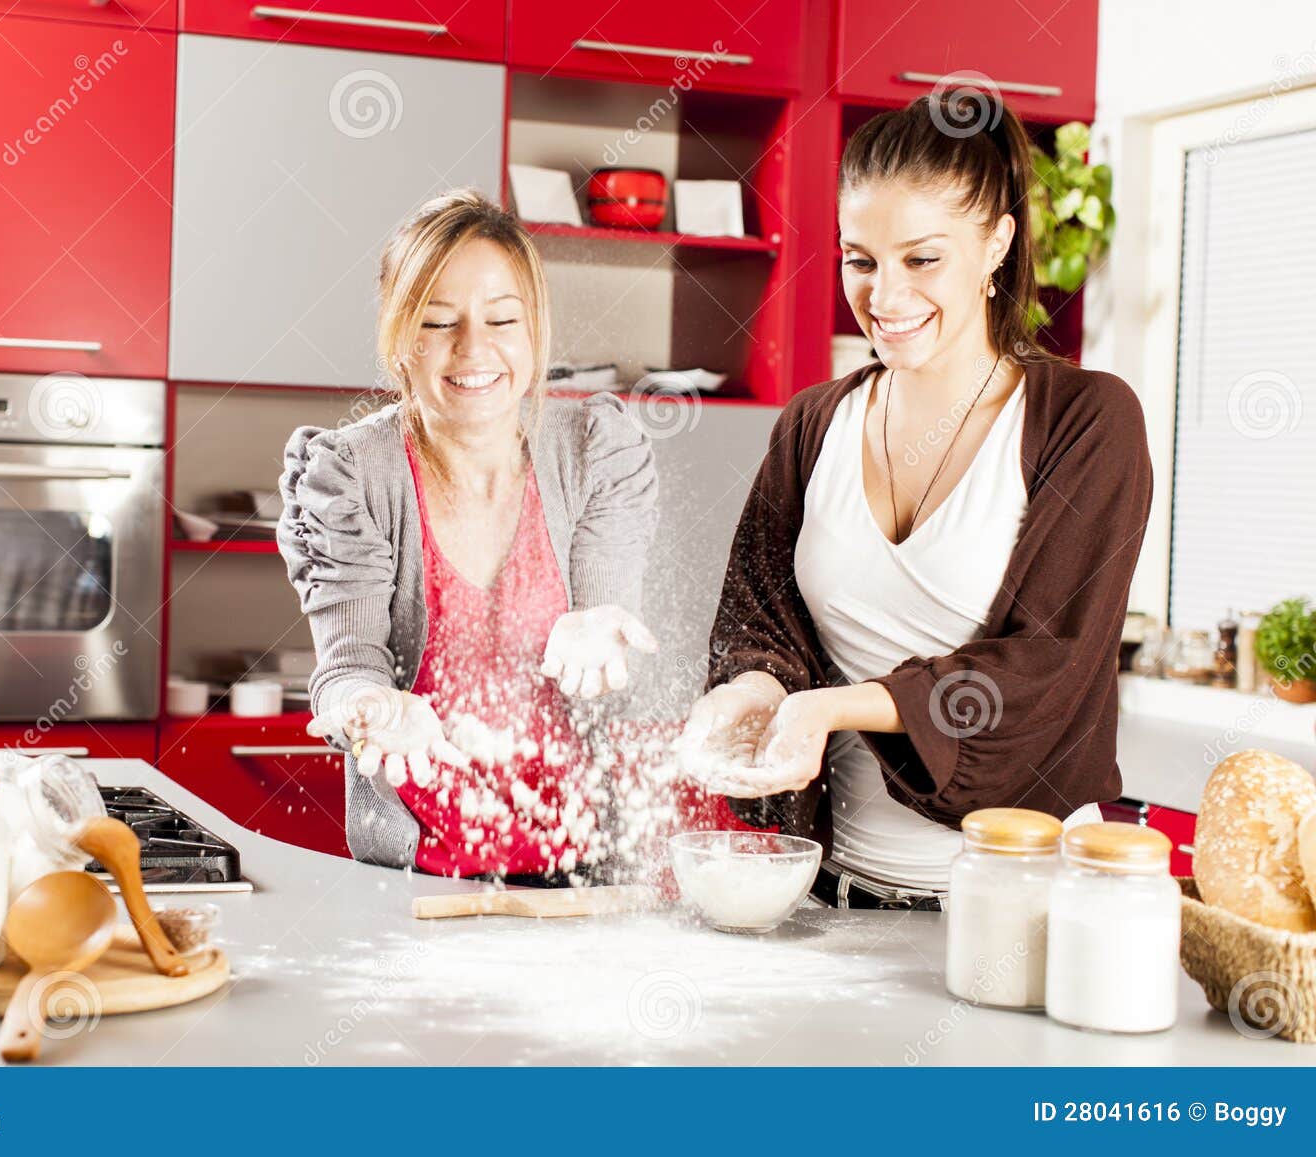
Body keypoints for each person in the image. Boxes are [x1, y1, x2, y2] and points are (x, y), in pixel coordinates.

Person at [676, 91, 1153, 909]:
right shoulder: (813, 425)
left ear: (997, 242)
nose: (885, 297)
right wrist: (752, 693)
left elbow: (1048, 668)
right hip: (830, 899)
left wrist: (830, 708)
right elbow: (756, 620)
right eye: (860, 260)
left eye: (922, 259)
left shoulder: (1087, 421)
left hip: (1021, 909)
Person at [278, 188, 659, 881]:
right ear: (400, 339)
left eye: (502, 319)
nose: (474, 348)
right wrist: (370, 708)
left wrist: (600, 631)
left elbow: (611, 657)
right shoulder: (352, 475)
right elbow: (347, 666)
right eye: (438, 321)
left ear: (534, 330)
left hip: (577, 866)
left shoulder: (595, 453)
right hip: (413, 875)